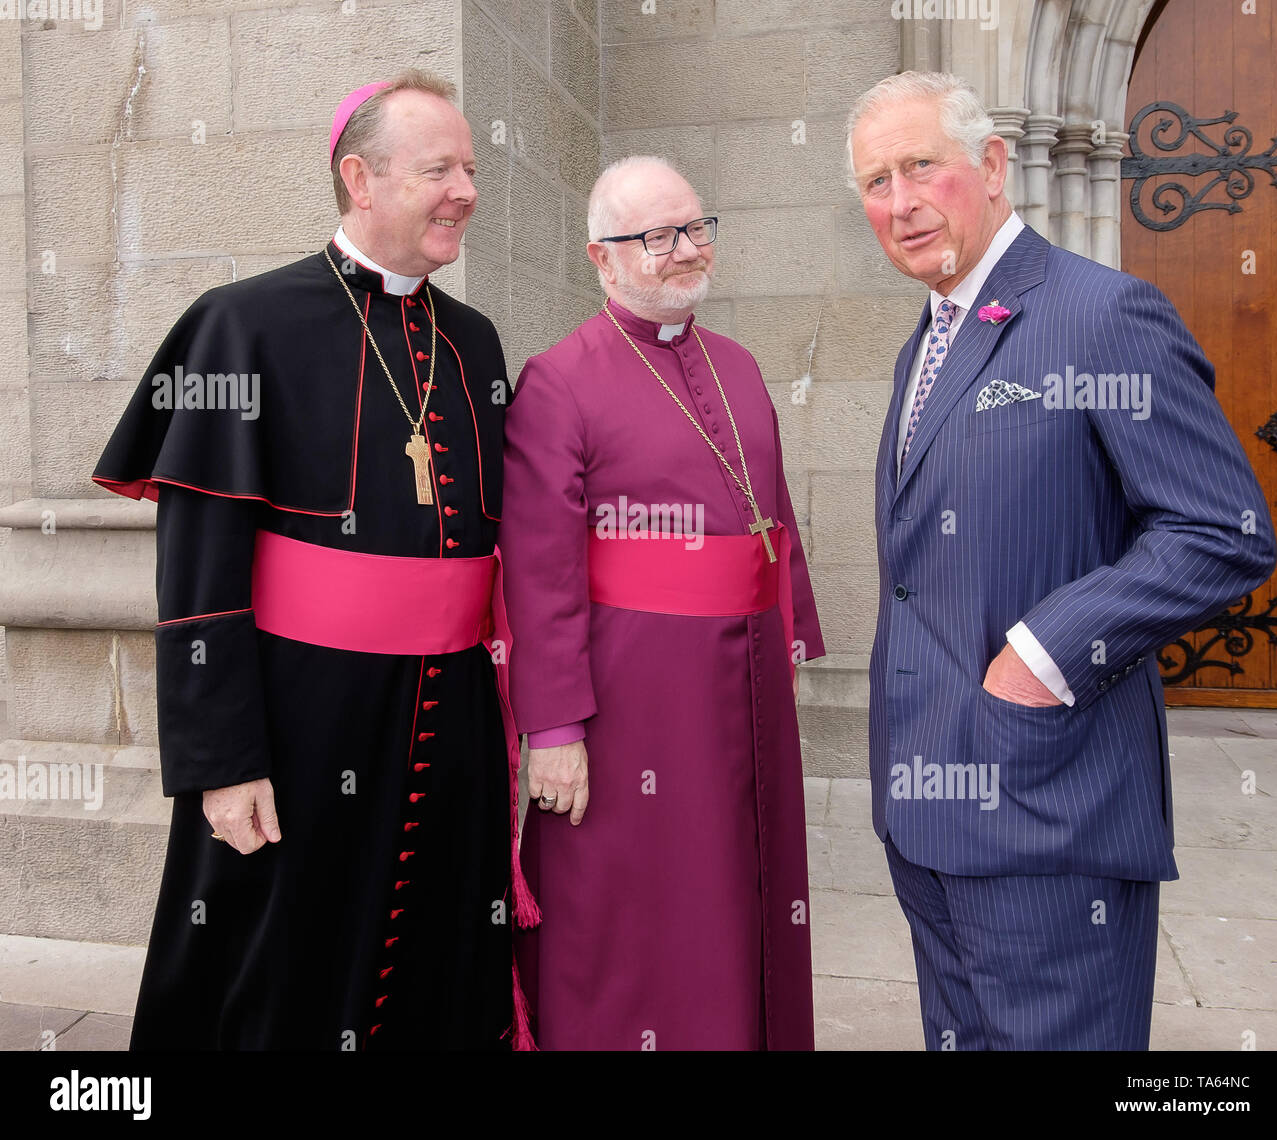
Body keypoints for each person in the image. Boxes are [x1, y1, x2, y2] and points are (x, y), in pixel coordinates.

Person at [92, 70, 536, 1050]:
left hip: (448, 714)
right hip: (295, 722)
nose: (465, 188)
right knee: (272, 971)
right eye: (438, 169)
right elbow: (198, 567)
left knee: (438, 960)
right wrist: (221, 763)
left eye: (470, 166)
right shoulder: (241, 324)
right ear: (360, 179)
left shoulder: (474, 341)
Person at [847, 71, 1276, 1050]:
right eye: (876, 181)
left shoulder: (1101, 315)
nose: (900, 201)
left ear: (993, 166)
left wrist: (1044, 653)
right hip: (926, 814)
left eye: (922, 166)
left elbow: (1222, 531)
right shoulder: (930, 339)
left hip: (1049, 815)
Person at [500, 156, 824, 1050]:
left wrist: (793, 639)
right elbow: (539, 568)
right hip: (633, 699)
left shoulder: (741, 365)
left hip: (748, 679)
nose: (684, 250)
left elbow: (775, 521)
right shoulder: (558, 380)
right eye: (655, 237)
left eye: (695, 227)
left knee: (743, 884)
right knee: (640, 902)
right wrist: (556, 729)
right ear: (602, 260)